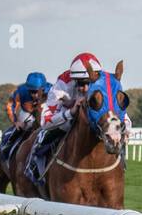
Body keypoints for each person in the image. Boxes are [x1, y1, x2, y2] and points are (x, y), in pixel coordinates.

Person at [26, 52, 105, 184]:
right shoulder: (62, 84)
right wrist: (71, 113)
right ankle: (35, 165)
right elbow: (45, 122)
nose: (85, 89)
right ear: (74, 80)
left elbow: (120, 115)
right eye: (80, 84)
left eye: (88, 83)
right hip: (66, 117)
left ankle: (121, 163)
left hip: (93, 119)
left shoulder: (104, 81)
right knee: (44, 135)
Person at [0, 72, 50, 161]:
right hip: (27, 112)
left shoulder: (51, 90)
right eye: (31, 91)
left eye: (37, 91)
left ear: (43, 88)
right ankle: (7, 146)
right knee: (24, 126)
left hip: (45, 112)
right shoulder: (20, 91)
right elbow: (10, 105)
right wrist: (16, 122)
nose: (34, 95)